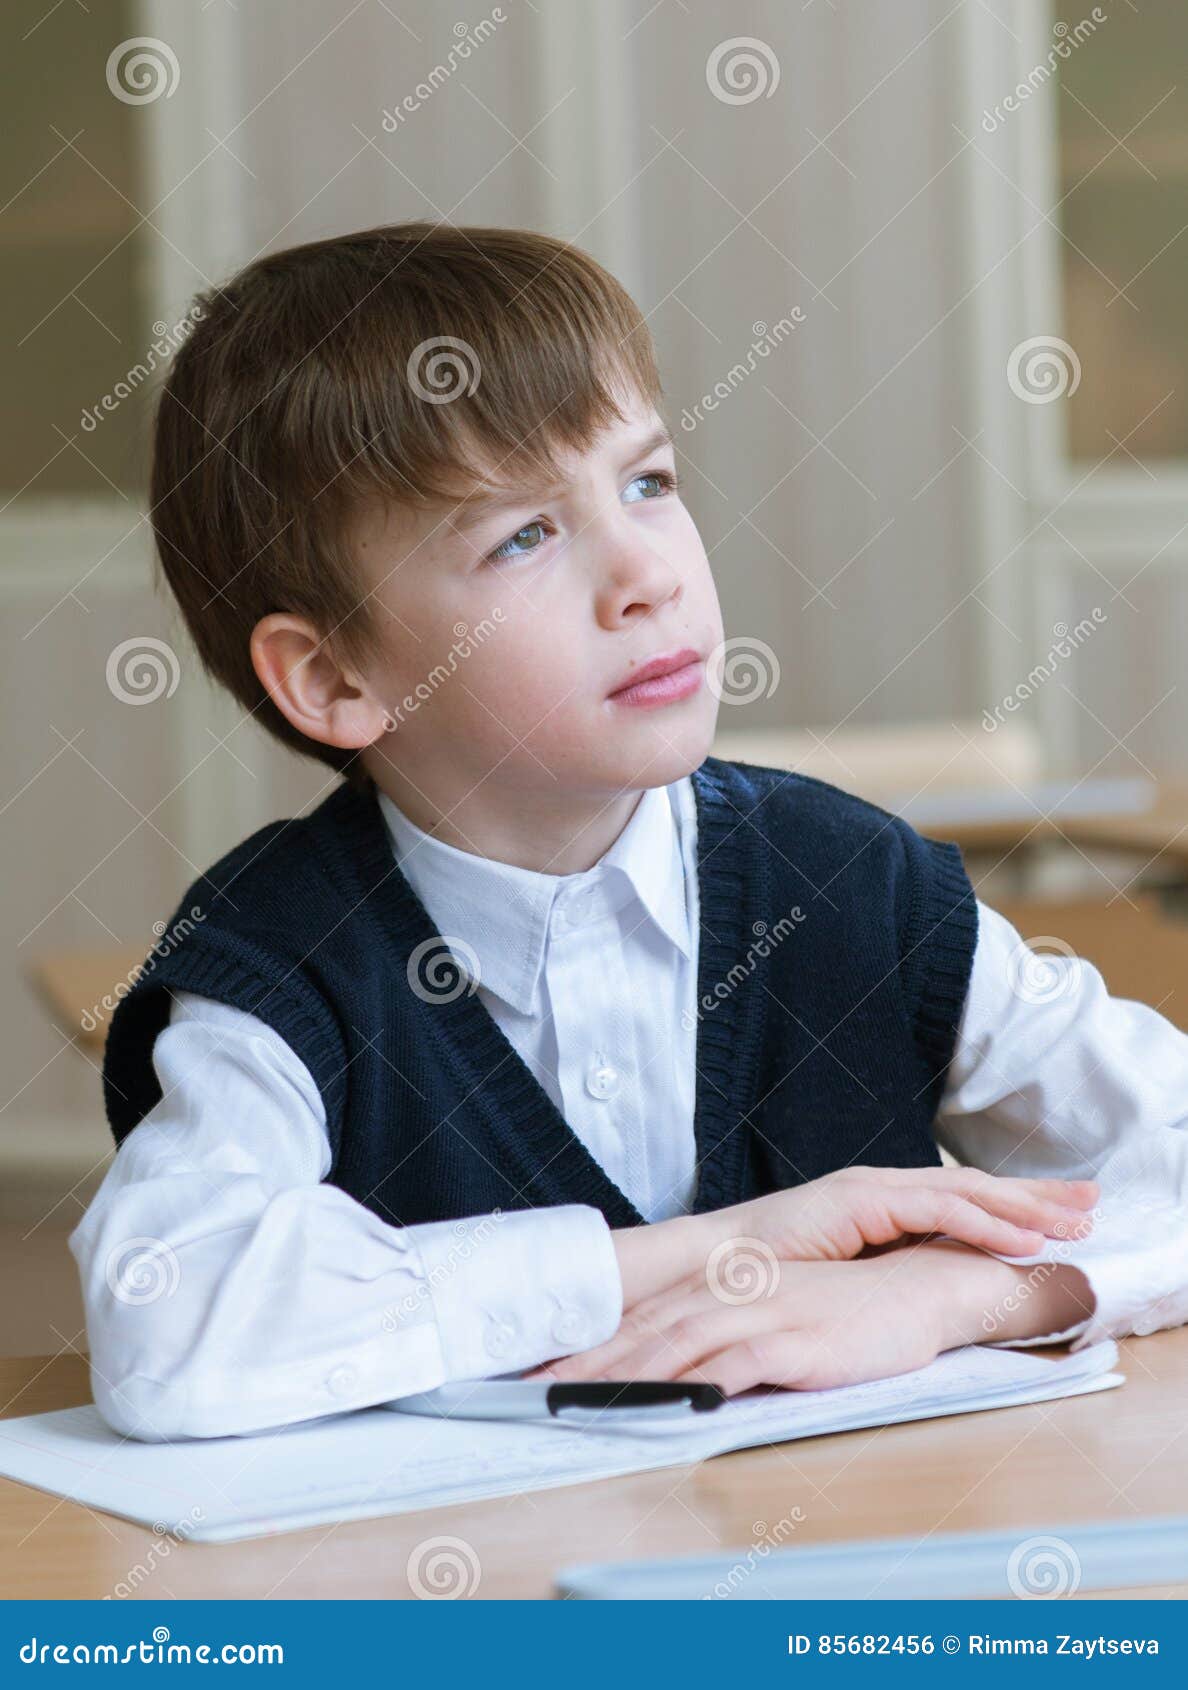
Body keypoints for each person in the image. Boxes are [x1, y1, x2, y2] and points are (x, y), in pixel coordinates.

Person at [72, 223, 1182, 1442]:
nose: (646, 572)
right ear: (334, 676)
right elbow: (162, 1323)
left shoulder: (848, 883)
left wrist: (958, 1293)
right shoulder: (280, 963)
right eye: (523, 537)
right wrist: (705, 1251)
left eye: (647, 482)